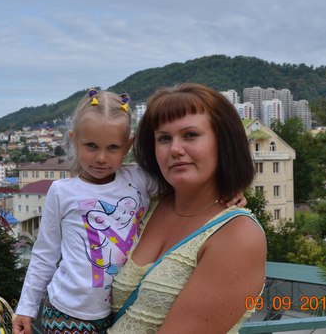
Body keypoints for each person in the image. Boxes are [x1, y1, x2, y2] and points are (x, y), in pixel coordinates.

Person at [13, 89, 246, 334]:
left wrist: (229, 188)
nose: (101, 157)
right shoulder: (62, 191)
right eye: (91, 146)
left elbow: (187, 184)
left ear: (128, 145)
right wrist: (26, 308)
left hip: (115, 312)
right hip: (66, 311)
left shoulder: (139, 180)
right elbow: (44, 254)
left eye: (112, 147)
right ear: (74, 140)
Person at [108, 83, 267, 334]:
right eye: (164, 138)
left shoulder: (237, 235)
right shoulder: (145, 204)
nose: (175, 149)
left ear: (223, 142)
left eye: (190, 135)